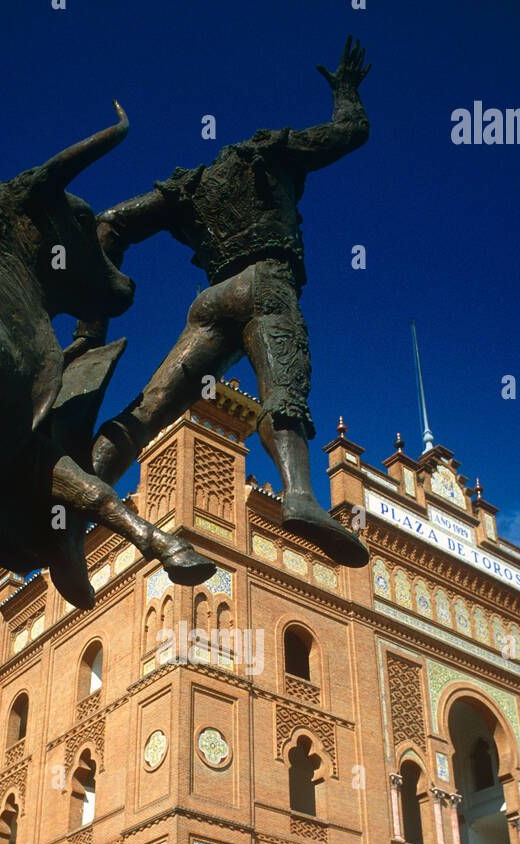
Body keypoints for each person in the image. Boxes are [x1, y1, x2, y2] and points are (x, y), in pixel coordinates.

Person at [68, 36, 372, 570]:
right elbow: (350, 132)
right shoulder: (272, 154)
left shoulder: (189, 189)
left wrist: (92, 326)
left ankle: (70, 499)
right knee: (284, 394)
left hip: (210, 302)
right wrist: (346, 92)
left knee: (148, 408)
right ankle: (300, 495)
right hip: (267, 285)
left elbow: (109, 223)